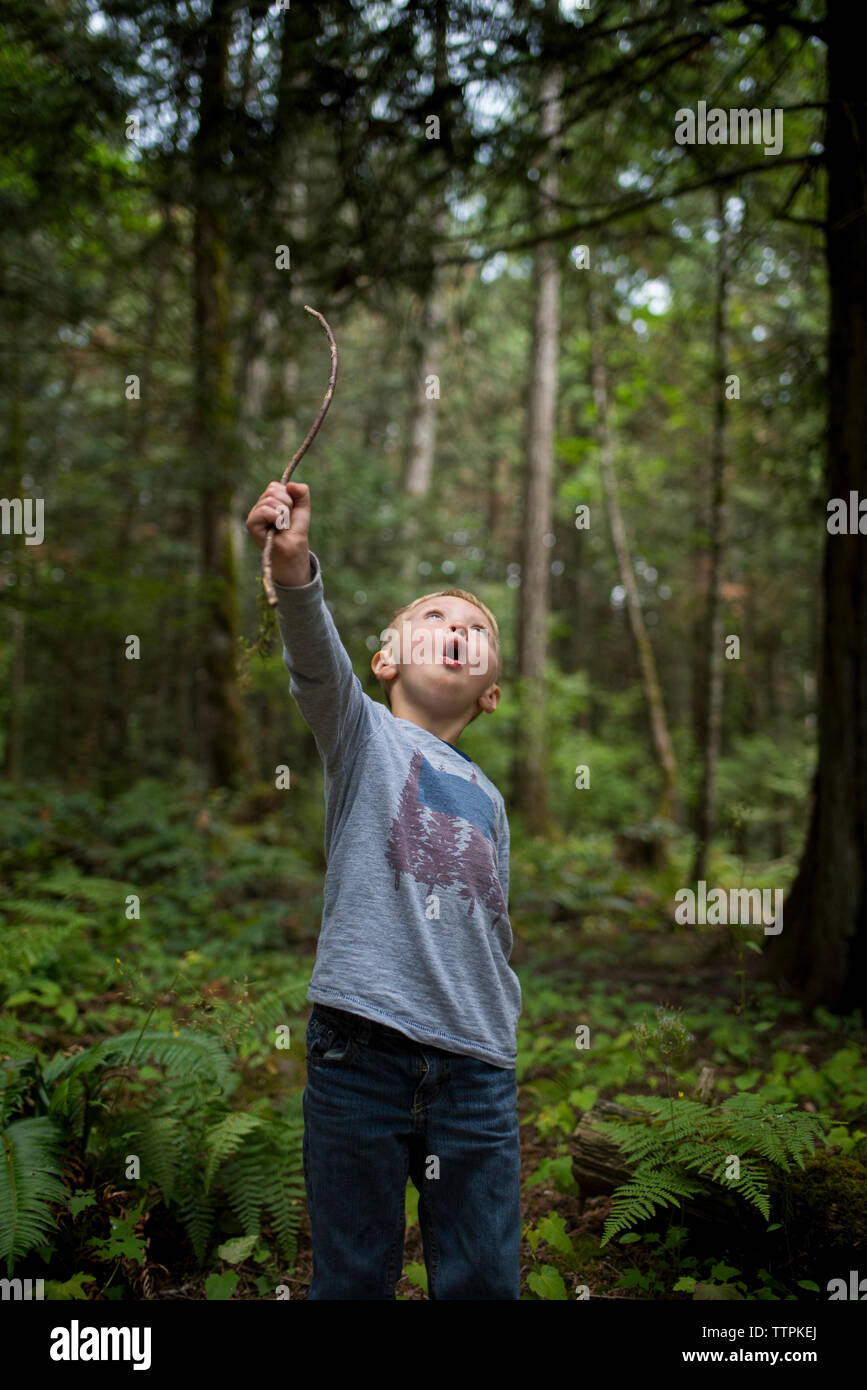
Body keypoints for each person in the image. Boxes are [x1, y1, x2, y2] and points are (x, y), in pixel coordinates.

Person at [246, 479, 522, 1300]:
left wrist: (500, 1030)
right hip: (358, 1048)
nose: (458, 630)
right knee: (354, 1273)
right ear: (386, 659)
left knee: (481, 1276)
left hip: (475, 1068)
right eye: (435, 618)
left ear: (491, 691)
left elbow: (492, 927)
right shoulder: (361, 734)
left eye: (476, 629)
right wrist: (293, 566)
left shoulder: (492, 800)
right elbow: (311, 655)